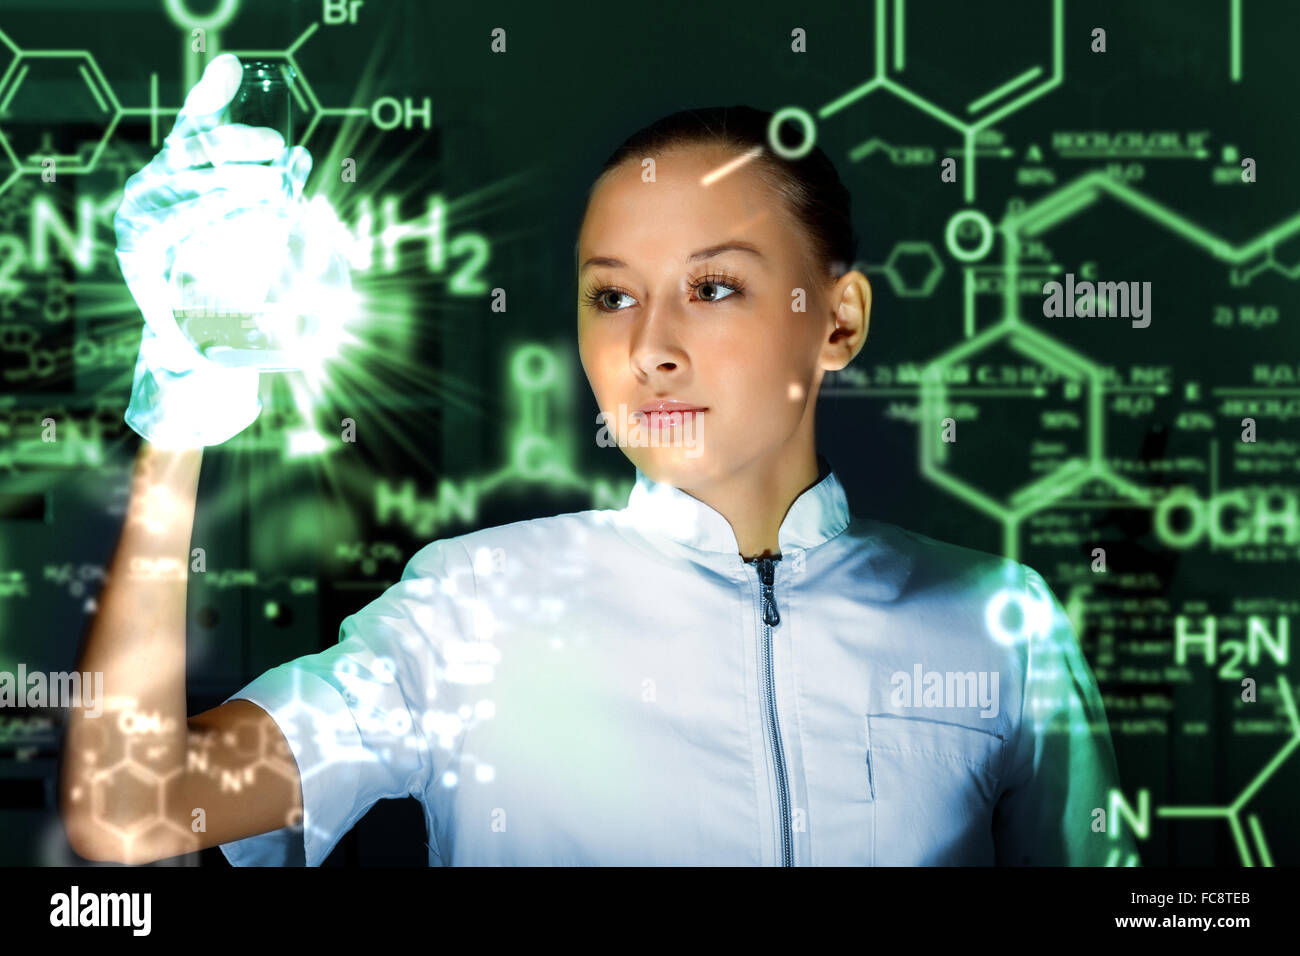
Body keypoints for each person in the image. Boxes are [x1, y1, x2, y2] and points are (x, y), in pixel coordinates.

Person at [60, 54, 1139, 866]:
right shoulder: (470, 610)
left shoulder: (1000, 622)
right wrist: (183, 408)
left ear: (838, 318)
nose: (649, 345)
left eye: (713, 287)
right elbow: (132, 803)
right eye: (611, 295)